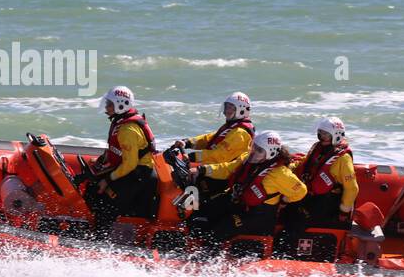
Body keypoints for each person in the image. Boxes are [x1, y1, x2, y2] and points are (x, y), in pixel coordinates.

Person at [169, 92, 255, 237]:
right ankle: (184, 217)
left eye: (230, 108)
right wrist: (188, 142)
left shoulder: (240, 133)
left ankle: (190, 221)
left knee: (192, 186)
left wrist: (191, 156)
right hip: (214, 170)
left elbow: (220, 156)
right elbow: (210, 138)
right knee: (186, 183)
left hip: (222, 176)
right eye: (226, 107)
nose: (226, 111)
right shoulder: (231, 127)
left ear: (240, 110)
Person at [84, 85, 158, 233]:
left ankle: (99, 241)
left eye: (109, 104)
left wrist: (108, 179)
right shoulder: (120, 122)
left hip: (138, 175)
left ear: (120, 104)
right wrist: (101, 160)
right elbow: (116, 150)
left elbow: (129, 164)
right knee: (93, 189)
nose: (106, 107)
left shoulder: (127, 130)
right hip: (131, 171)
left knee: (106, 206)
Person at [214, 130, 307, 244]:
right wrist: (201, 170)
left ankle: (207, 258)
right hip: (242, 207)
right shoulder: (248, 159)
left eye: (259, 150)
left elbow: (301, 191)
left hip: (258, 218)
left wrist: (283, 201)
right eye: (254, 146)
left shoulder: (279, 173)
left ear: (270, 153)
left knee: (222, 228)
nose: (253, 152)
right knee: (209, 208)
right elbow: (227, 168)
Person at [294, 116, 358, 226]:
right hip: (310, 195)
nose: (321, 137)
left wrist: (344, 212)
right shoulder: (318, 148)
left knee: (296, 224)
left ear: (336, 135)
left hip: (327, 202)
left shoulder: (343, 158)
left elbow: (352, 188)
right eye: (320, 133)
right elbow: (306, 163)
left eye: (325, 134)